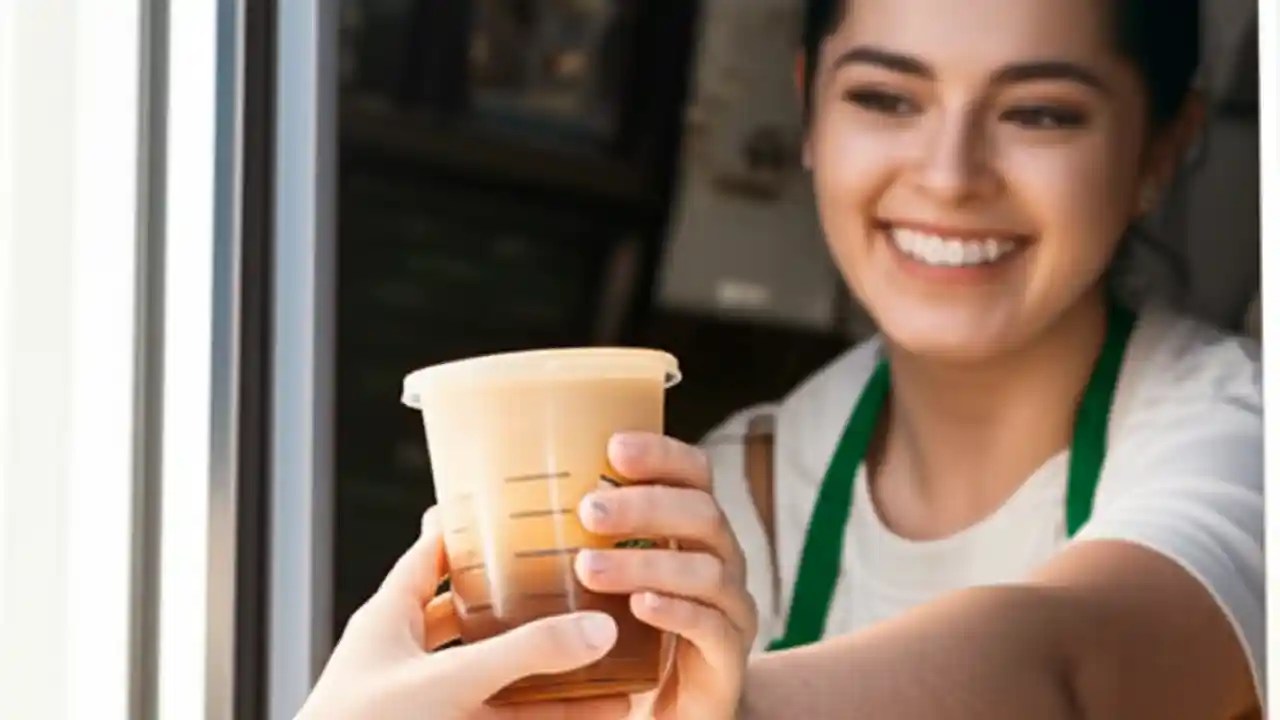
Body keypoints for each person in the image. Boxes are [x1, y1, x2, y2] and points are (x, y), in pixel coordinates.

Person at [302, 0, 1263, 717]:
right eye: (887, 98)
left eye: (1041, 113)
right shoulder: (726, 495)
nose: (949, 176)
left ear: (1161, 150)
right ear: (810, 113)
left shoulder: (1241, 434)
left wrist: (736, 711)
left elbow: (1068, 664)